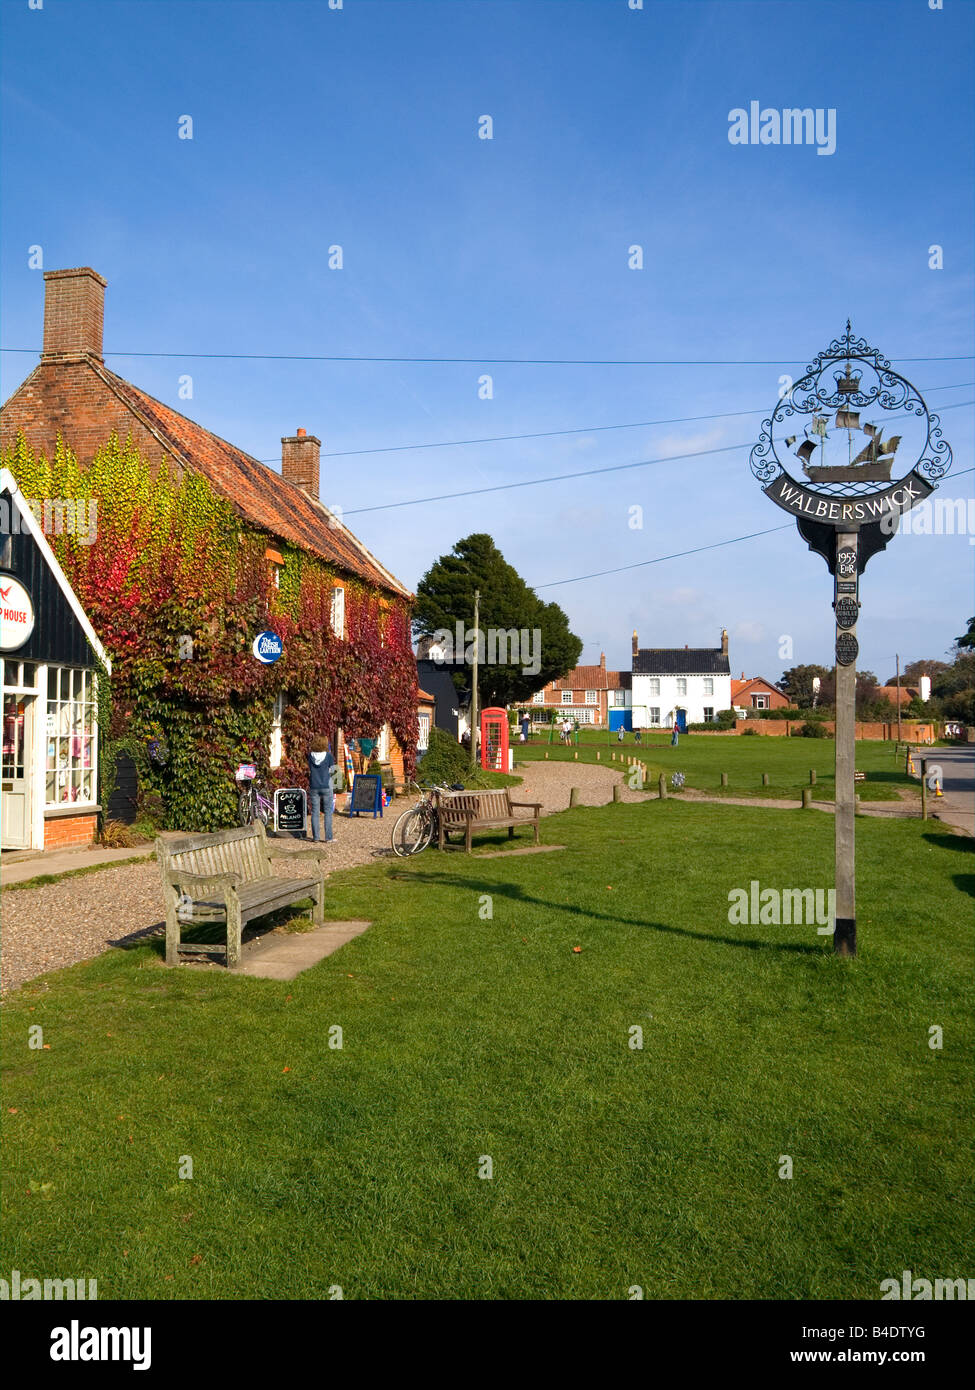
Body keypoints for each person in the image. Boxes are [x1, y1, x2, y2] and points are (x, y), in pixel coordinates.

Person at [307, 736, 336, 842]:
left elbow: (310, 768)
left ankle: (316, 838)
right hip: (326, 786)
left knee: (315, 812)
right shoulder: (328, 756)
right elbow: (333, 770)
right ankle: (328, 838)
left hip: (314, 785)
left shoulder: (310, 756)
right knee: (328, 812)